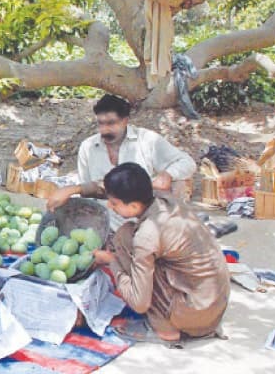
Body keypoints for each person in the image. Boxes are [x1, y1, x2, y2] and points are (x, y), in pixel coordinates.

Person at [93, 163, 229, 344]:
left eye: (114, 203)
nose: (110, 206)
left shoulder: (148, 235)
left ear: (133, 206)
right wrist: (74, 189)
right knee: (125, 234)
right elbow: (108, 190)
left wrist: (112, 262)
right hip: (214, 300)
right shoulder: (161, 197)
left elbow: (139, 303)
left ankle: (165, 329)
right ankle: (184, 319)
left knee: (127, 251)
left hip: (196, 312)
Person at [46, 94, 196, 231]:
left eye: (111, 123)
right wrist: (71, 191)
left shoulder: (147, 140)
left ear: (125, 121)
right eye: (100, 123)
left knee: (179, 185)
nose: (104, 130)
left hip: (143, 219)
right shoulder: (88, 147)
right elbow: (90, 192)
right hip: (104, 220)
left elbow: (187, 163)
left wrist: (168, 174)